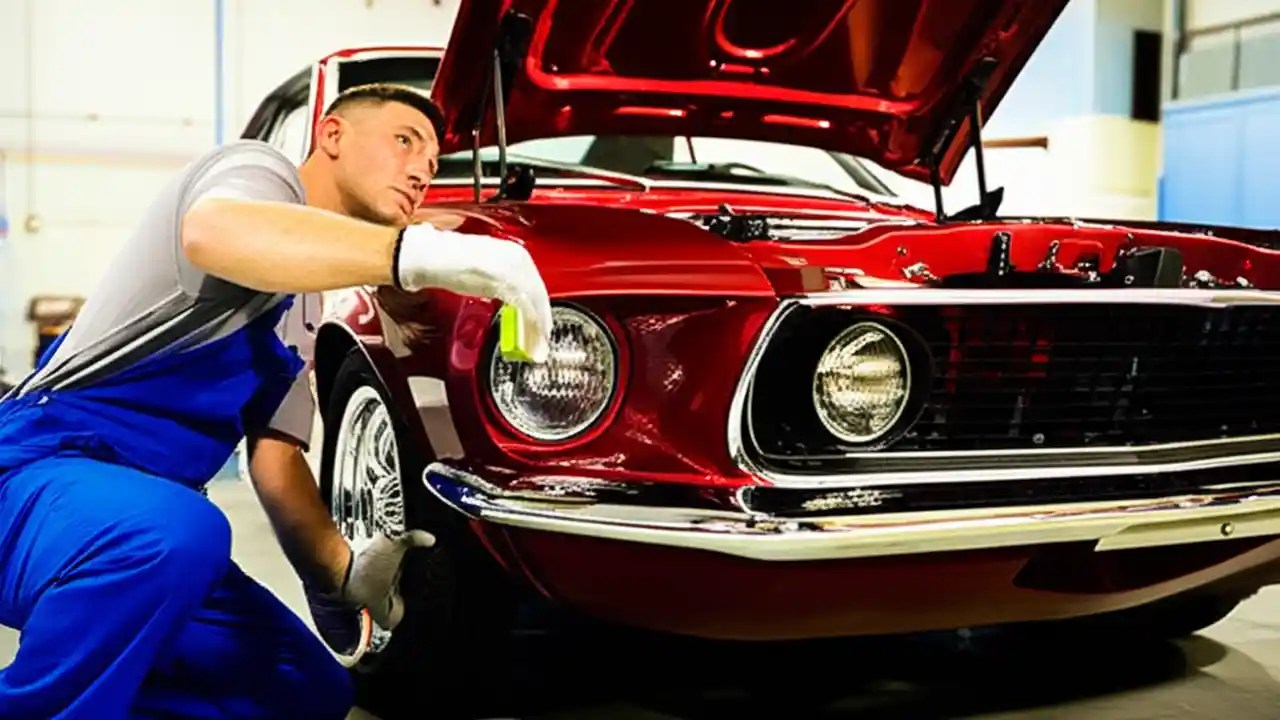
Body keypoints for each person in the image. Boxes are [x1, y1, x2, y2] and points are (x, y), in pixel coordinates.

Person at [0, 82, 553, 719]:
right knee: (182, 530)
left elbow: (277, 462)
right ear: (333, 136)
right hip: (36, 473)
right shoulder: (255, 174)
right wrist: (420, 254)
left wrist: (342, 574)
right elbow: (216, 233)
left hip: (139, 518)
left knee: (302, 691)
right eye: (405, 141)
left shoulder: (305, 309)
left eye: (431, 162)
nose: (421, 170)